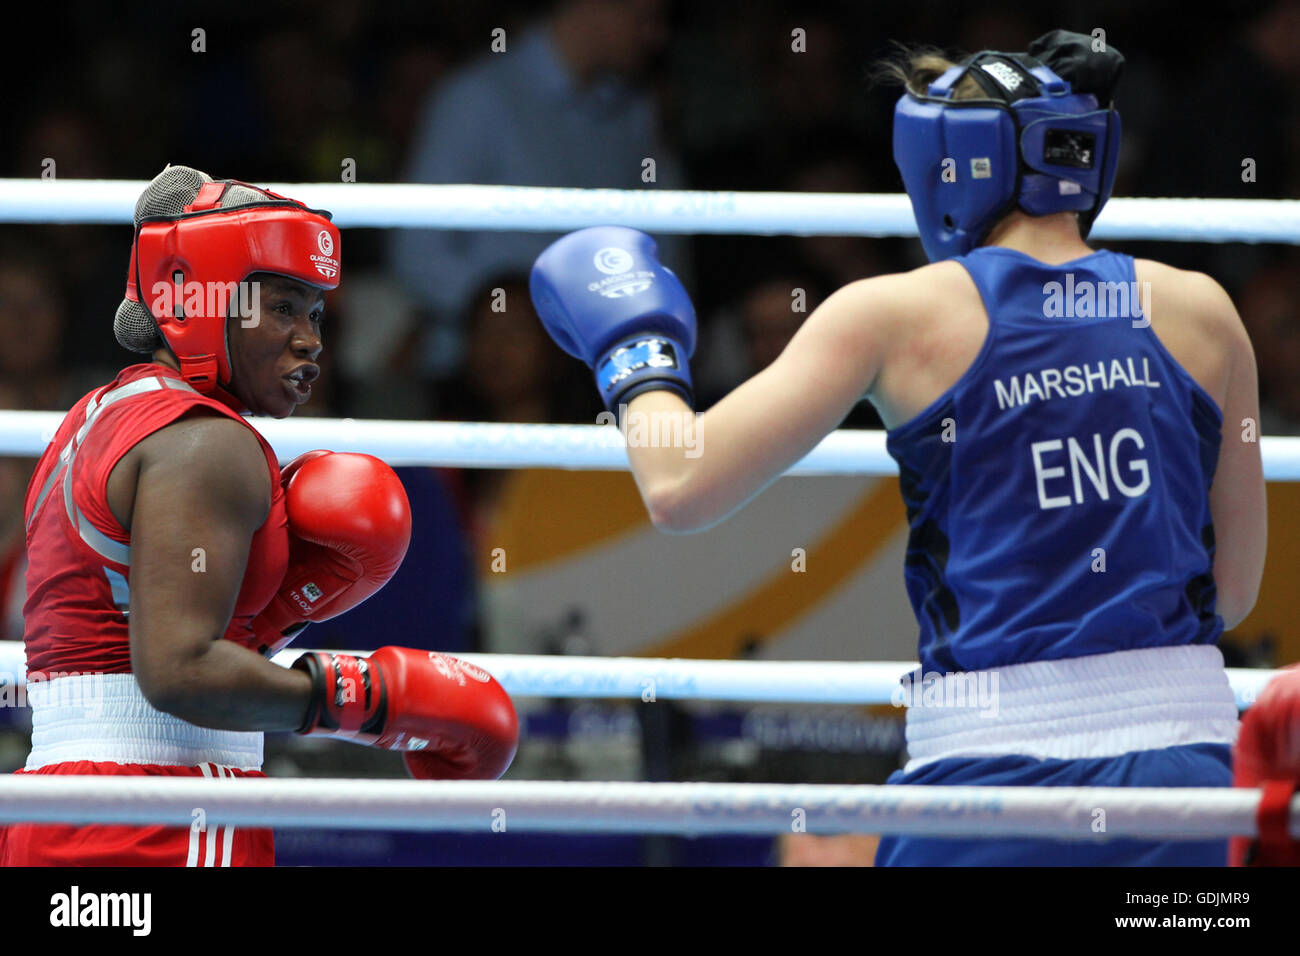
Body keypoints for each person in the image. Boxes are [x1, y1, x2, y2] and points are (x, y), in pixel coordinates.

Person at [527, 30, 1267, 865]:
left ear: (944, 165)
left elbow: (678, 483)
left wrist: (636, 349)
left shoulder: (895, 315)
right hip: (1194, 778)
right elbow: (1232, 594)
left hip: (995, 771)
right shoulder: (1205, 311)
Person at [0, 166, 518, 867]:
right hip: (166, 810)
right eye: (281, 308)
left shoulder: (93, 417)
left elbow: (130, 631)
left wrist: (264, 624)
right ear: (196, 298)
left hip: (57, 807)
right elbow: (179, 672)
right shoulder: (209, 442)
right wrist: (375, 702)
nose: (310, 341)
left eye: (316, 314)